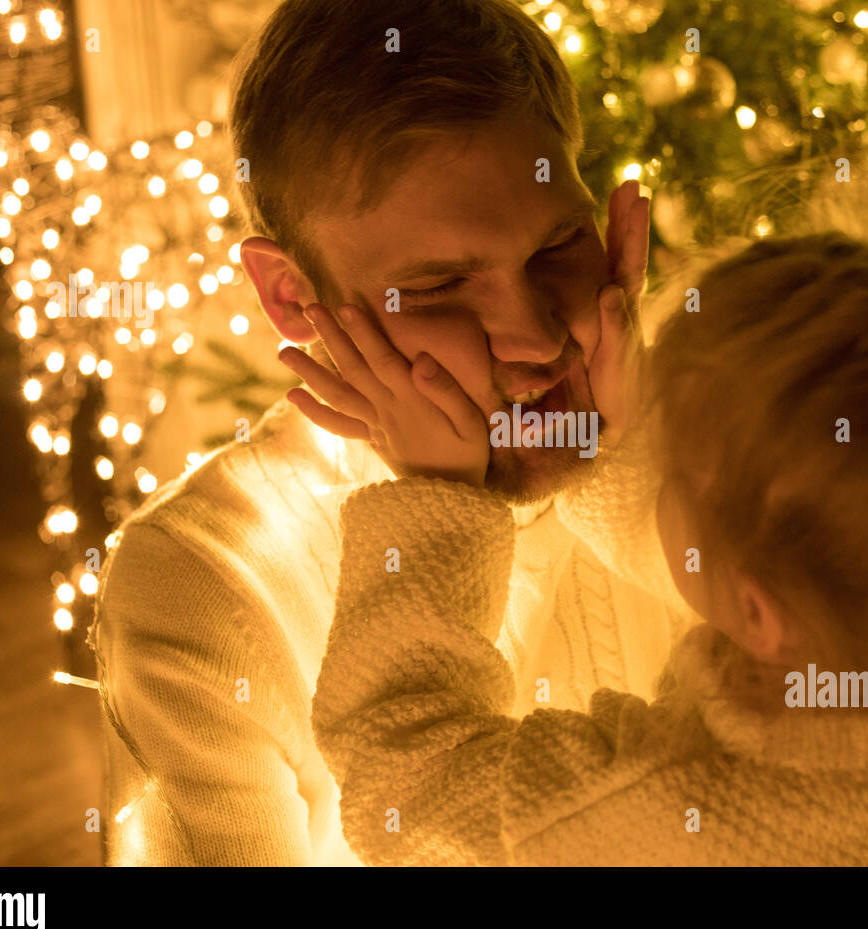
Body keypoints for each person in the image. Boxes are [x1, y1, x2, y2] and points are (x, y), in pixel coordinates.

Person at [303, 234, 868, 865]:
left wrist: (435, 502)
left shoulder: (670, 812)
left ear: (757, 611)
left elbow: (404, 780)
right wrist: (600, 441)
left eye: (671, 462)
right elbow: (722, 558)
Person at [90, 0, 687, 865]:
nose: (539, 340)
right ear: (293, 298)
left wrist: (630, 463)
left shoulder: (729, 441)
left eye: (560, 246)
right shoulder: (202, 585)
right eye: (443, 286)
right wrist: (439, 514)